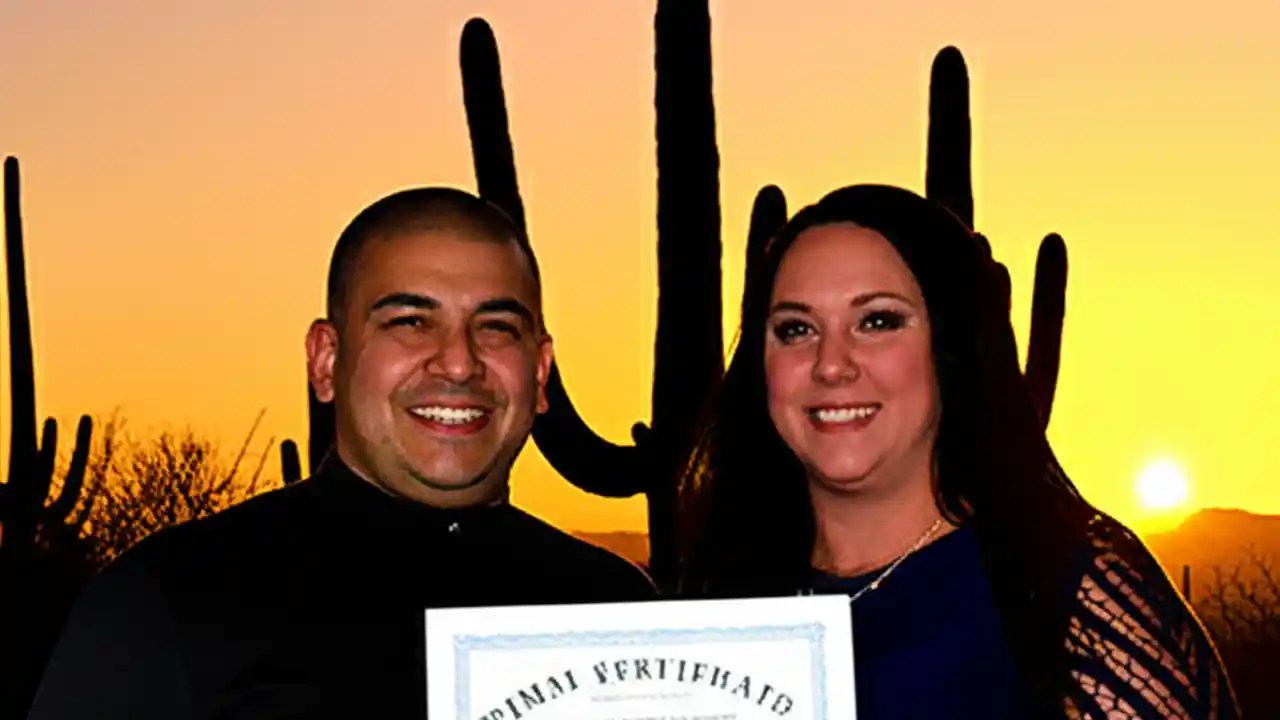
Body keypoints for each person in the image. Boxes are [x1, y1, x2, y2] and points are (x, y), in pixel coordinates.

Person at [26, 187, 656, 719]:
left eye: (496, 327)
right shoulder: (162, 606)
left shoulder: (617, 609)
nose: (460, 362)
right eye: (410, 321)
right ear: (326, 361)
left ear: (540, 373)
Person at [676, 184, 1239, 719]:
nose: (830, 364)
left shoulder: (1067, 589)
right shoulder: (723, 599)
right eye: (795, 329)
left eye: (877, 321)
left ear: (950, 348)